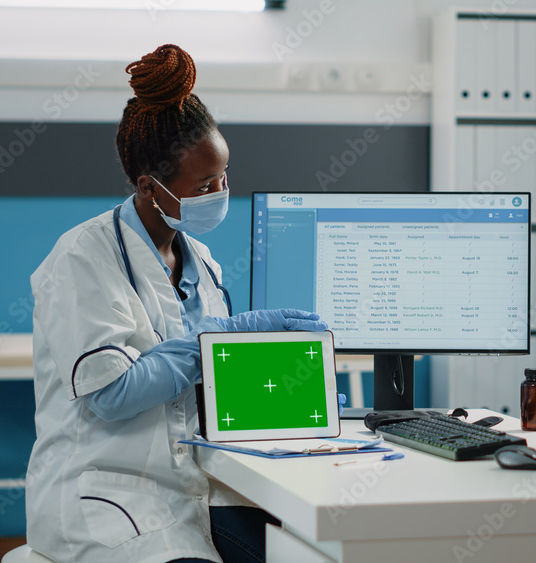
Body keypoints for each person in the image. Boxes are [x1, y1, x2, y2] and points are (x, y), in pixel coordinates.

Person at [25, 44, 330, 563]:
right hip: (109, 499)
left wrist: (296, 401)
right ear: (150, 186)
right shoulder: (82, 259)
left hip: (194, 488)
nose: (221, 191)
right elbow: (114, 394)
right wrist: (222, 339)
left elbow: (205, 385)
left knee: (314, 548)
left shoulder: (202, 263)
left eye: (225, 176)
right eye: (206, 184)